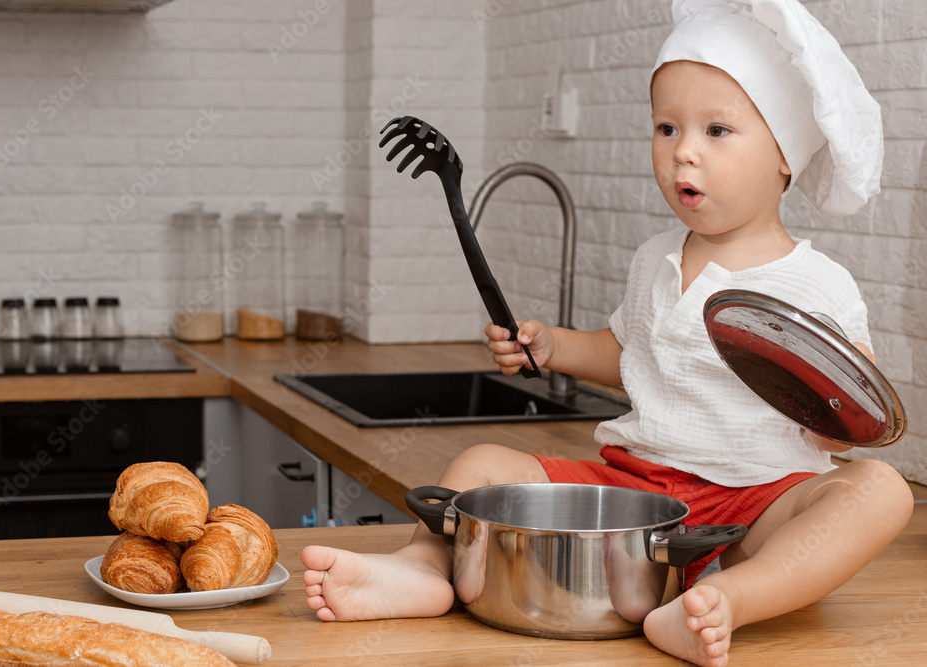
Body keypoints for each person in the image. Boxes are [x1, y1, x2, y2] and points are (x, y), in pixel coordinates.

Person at [300, 1, 915, 665]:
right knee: (479, 465)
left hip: (757, 509)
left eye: (716, 130)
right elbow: (630, 353)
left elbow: (849, 417)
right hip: (635, 498)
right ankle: (422, 565)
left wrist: (835, 423)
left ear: (784, 159)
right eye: (667, 126)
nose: (684, 150)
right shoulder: (656, 258)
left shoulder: (818, 284)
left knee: (879, 492)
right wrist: (555, 346)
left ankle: (729, 597)